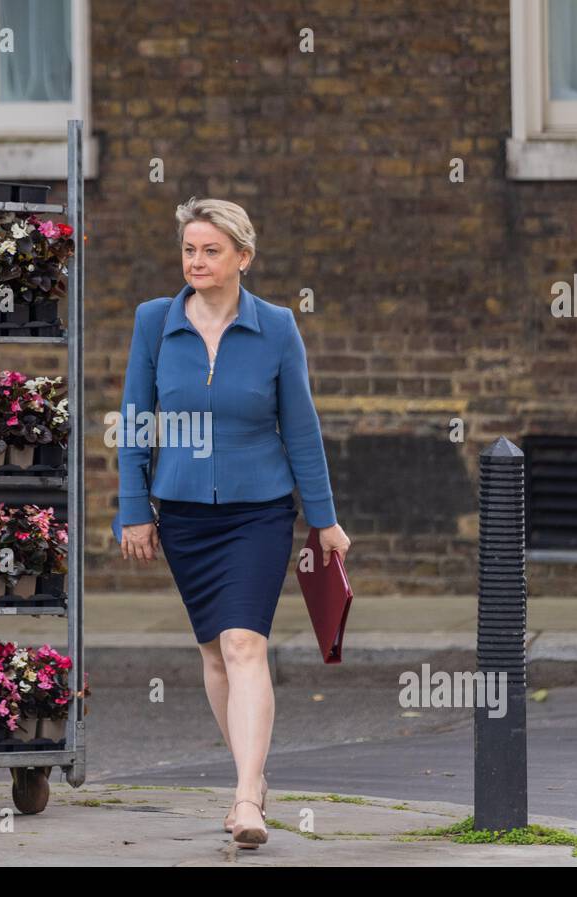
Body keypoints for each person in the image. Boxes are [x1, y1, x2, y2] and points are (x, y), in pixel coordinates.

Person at [113, 196, 351, 849]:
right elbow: (136, 420)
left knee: (246, 642)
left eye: (211, 250)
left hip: (259, 511)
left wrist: (324, 519)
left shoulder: (275, 326)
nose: (197, 260)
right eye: (189, 249)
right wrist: (133, 507)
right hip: (184, 513)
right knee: (214, 652)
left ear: (243, 256)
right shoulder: (155, 321)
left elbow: (301, 429)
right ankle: (253, 772)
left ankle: (247, 796)